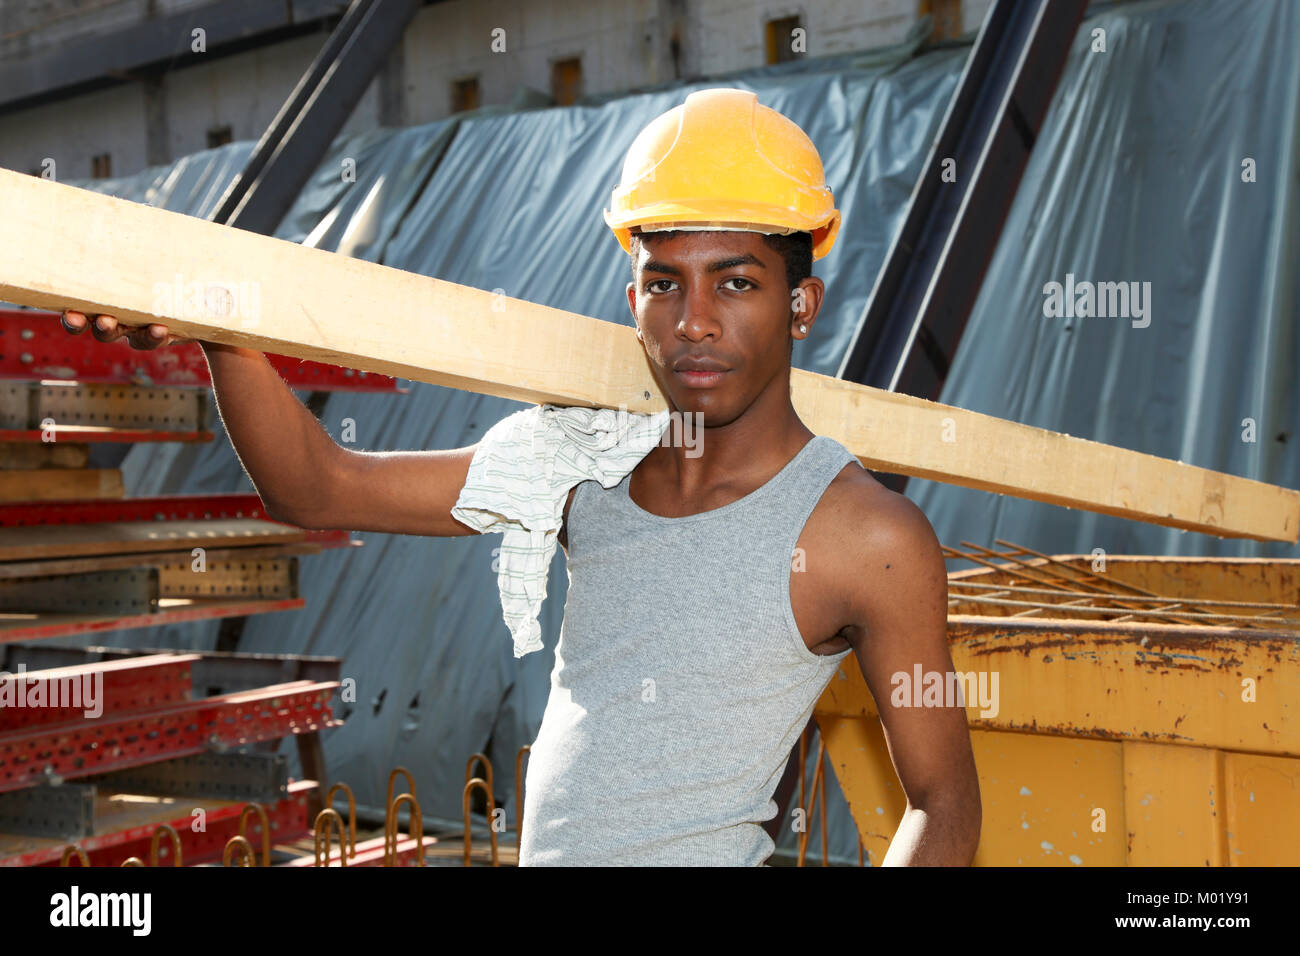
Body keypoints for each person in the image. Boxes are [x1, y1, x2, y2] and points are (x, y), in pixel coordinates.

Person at [60, 87, 980, 866]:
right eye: (665, 283)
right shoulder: (581, 463)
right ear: (634, 301)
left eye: (735, 282)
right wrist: (223, 332)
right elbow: (317, 487)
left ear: (801, 303)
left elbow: (943, 800)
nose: (693, 321)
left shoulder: (867, 535)